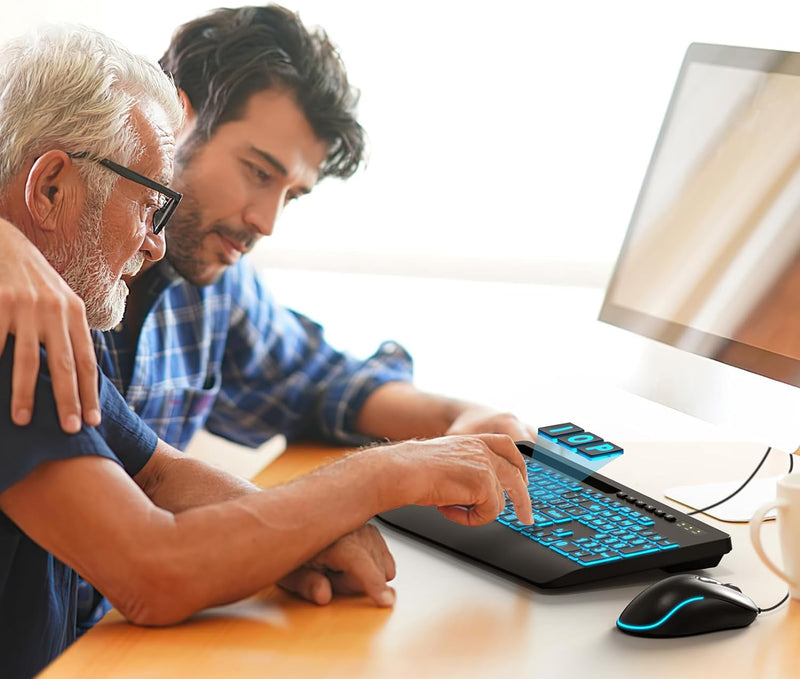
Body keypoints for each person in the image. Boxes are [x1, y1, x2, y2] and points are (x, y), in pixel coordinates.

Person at [0, 26, 532, 677]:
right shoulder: (20, 318)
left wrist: (291, 536)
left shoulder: (68, 307)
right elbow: (152, 571)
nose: (157, 241)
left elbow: (160, 473)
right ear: (51, 187)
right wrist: (386, 474)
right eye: (148, 204)